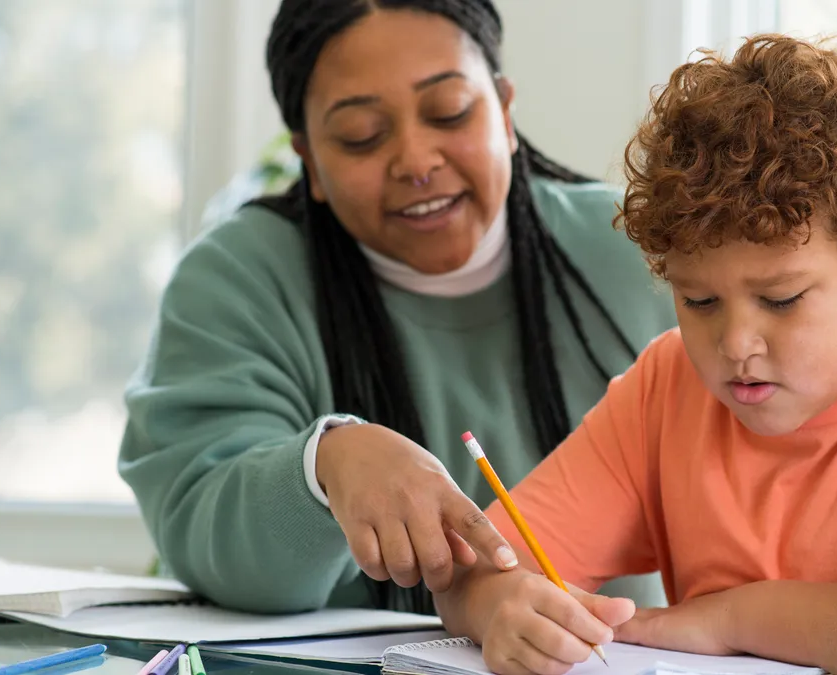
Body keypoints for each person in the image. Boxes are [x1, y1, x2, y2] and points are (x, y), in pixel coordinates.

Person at [434, 26, 837, 675]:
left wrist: (734, 620)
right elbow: (475, 570)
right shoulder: (668, 387)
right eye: (698, 301)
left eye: (781, 300)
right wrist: (499, 606)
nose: (734, 344)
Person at [118, 0, 676, 615]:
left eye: (449, 112)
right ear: (311, 165)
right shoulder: (237, 279)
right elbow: (201, 525)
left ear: (506, 112)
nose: (416, 161)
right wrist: (322, 466)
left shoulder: (642, 246)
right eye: (362, 136)